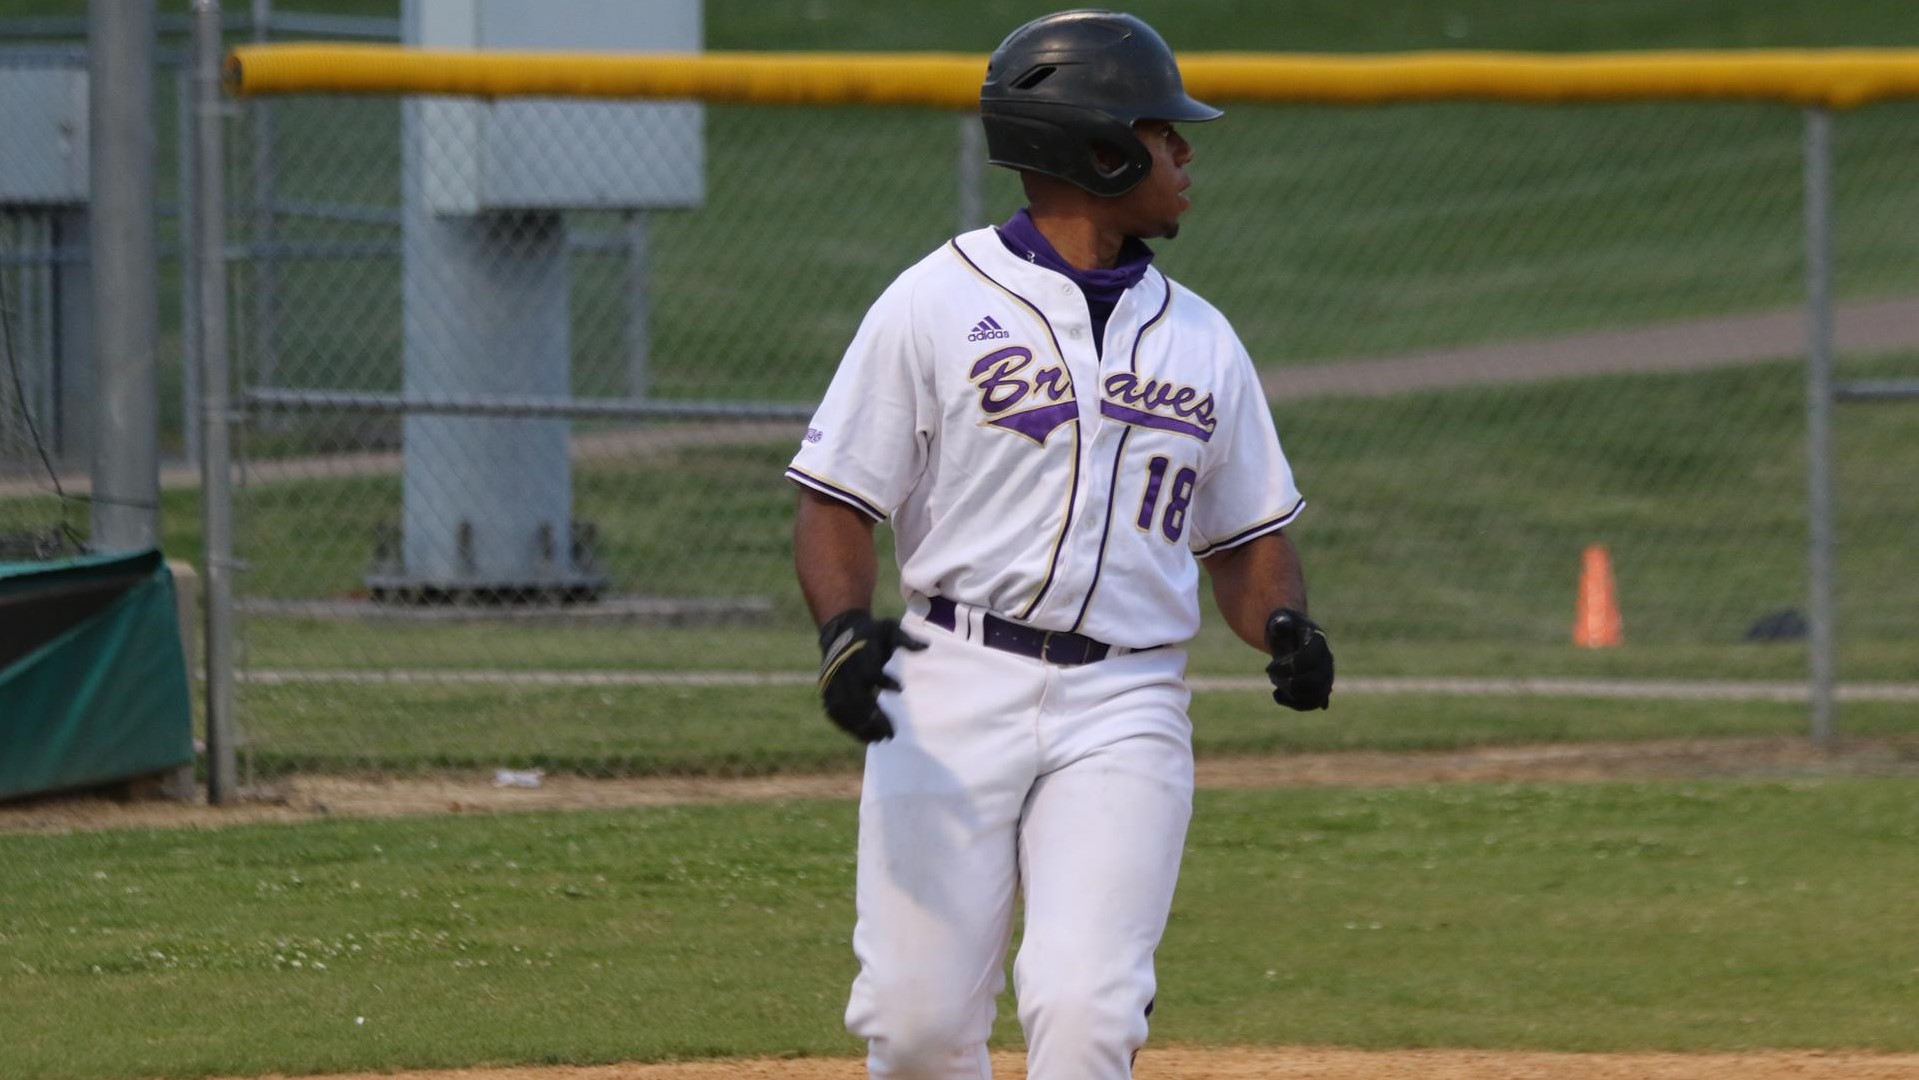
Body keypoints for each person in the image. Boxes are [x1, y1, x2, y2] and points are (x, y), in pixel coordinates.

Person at [785, 10, 1335, 1078]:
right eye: (1162, 133)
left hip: (1125, 701)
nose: (1184, 155)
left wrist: (1284, 625)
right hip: (950, 685)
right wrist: (843, 632)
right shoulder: (935, 302)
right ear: (1099, 148)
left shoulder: (1201, 338)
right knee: (914, 1027)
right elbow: (836, 498)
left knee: (1086, 1012)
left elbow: (1241, 538)